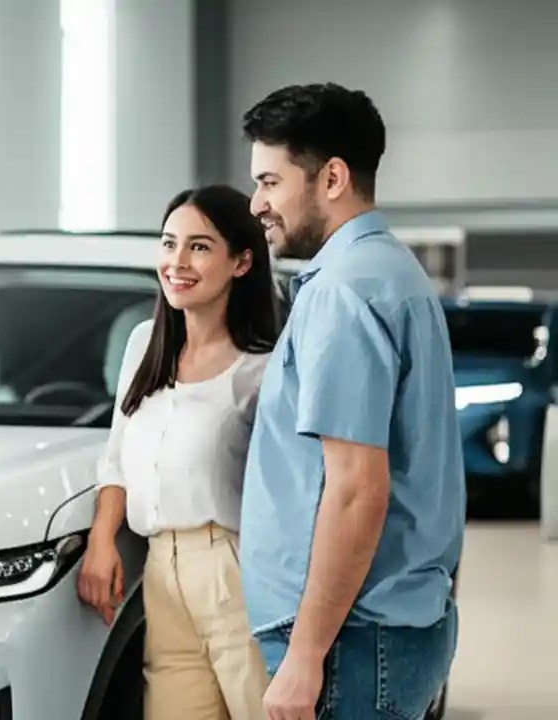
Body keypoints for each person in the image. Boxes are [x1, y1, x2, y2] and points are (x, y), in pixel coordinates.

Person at [239, 83, 465, 719]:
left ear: (331, 177)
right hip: (375, 631)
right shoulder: (390, 273)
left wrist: (306, 654)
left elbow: (356, 489)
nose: (258, 204)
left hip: (350, 640)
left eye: (270, 182)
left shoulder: (346, 292)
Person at [78, 184, 281, 719]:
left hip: (233, 568)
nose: (177, 262)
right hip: (160, 573)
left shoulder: (263, 368)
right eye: (169, 244)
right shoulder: (145, 342)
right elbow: (117, 457)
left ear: (241, 262)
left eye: (199, 246)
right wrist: (102, 539)